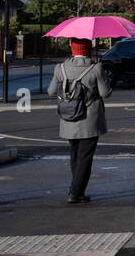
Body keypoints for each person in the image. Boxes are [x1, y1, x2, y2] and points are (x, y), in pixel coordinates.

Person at [46, 38, 113, 204]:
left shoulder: (60, 68)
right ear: (88, 48)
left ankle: (78, 189)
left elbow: (51, 91)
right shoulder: (95, 68)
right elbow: (105, 93)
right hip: (89, 118)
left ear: (72, 48)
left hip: (69, 116)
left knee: (74, 154)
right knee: (85, 156)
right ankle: (75, 192)